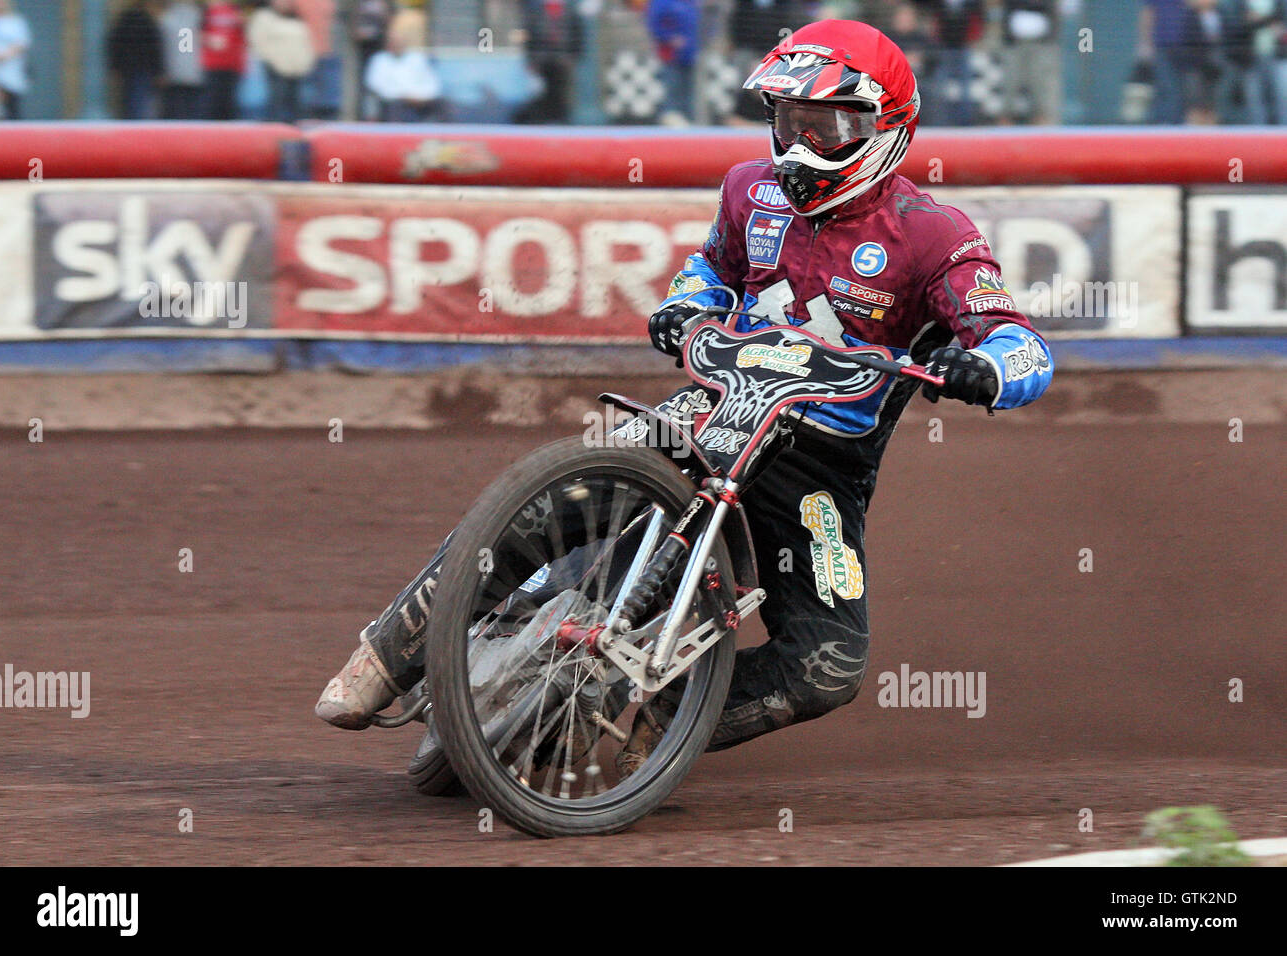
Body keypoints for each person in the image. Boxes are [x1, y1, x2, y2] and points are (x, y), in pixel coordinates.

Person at [315, 20, 1054, 773]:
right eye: (789, 122)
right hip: (712, 414)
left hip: (818, 466)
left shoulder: (935, 234)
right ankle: (385, 656)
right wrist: (684, 305)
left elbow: (1018, 339)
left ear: (885, 128)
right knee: (549, 499)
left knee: (827, 665)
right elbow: (708, 270)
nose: (801, 147)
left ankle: (656, 726)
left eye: (825, 127)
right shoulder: (748, 191)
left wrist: (988, 368)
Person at [363, 7, 441, 121]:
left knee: (444, 105)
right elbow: (376, 86)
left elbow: (431, 82)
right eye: (394, 43)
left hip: (421, 99)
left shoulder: (417, 58)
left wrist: (421, 97)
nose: (397, 45)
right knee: (394, 108)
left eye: (400, 43)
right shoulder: (379, 60)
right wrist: (404, 96)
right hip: (394, 100)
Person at [514, 0, 583, 124]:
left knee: (562, 95)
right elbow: (529, 38)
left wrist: (572, 58)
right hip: (542, 62)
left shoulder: (571, 13)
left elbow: (578, 37)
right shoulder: (535, 13)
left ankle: (562, 121)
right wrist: (532, 60)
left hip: (563, 63)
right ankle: (540, 122)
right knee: (541, 94)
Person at [246, 0, 316, 123]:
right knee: (277, 102)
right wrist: (272, 60)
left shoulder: (298, 19)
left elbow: (306, 44)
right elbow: (258, 41)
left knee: (297, 103)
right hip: (275, 68)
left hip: (297, 69)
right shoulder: (264, 17)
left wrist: (306, 63)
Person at [999, 0, 1061, 124]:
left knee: (1038, 80)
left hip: (1040, 44)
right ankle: (1006, 117)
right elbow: (1007, 12)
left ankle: (1040, 117)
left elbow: (1053, 15)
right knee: (1011, 79)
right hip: (1015, 44)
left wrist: (1049, 38)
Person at [106, 0, 165, 119]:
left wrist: (115, 66)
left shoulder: (124, 20)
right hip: (143, 69)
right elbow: (154, 49)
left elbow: (114, 44)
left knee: (128, 100)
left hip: (126, 69)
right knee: (140, 101)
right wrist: (159, 71)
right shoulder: (148, 22)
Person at [646, 0, 698, 124]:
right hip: (671, 57)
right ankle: (671, 127)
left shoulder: (690, 3)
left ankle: (688, 127)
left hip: (690, 56)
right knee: (672, 94)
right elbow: (654, 25)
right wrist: (670, 38)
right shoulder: (662, 3)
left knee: (688, 96)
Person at [200, 0, 246, 120]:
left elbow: (243, 38)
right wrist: (208, 40)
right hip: (212, 64)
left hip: (232, 64)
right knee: (213, 101)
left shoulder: (236, 11)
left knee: (229, 101)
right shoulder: (205, 12)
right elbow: (190, 34)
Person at [160, 0, 204, 119]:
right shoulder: (198, 16)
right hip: (195, 72)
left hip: (174, 72)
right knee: (194, 110)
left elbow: (165, 47)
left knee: (177, 110)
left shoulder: (167, 18)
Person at [0, 0, 30, 120]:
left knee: (12, 114)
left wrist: (3, 55)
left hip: (11, 78)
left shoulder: (16, 22)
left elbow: (22, 44)